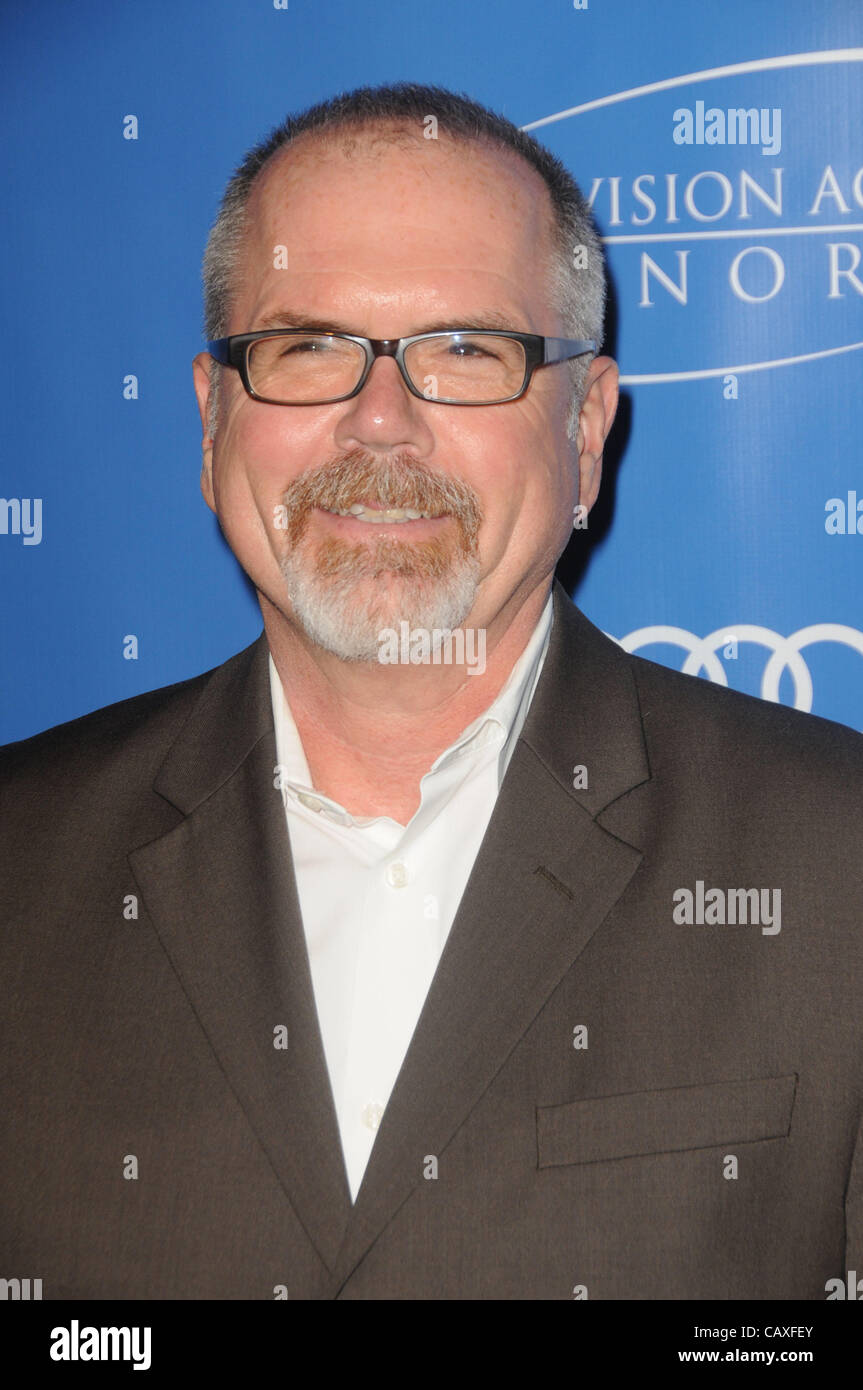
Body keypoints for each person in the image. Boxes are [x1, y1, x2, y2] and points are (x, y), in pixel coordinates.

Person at [2, 82, 863, 1302]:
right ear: (209, 424)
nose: (378, 422)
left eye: (465, 350)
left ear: (585, 431)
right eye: (307, 347)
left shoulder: (839, 864)